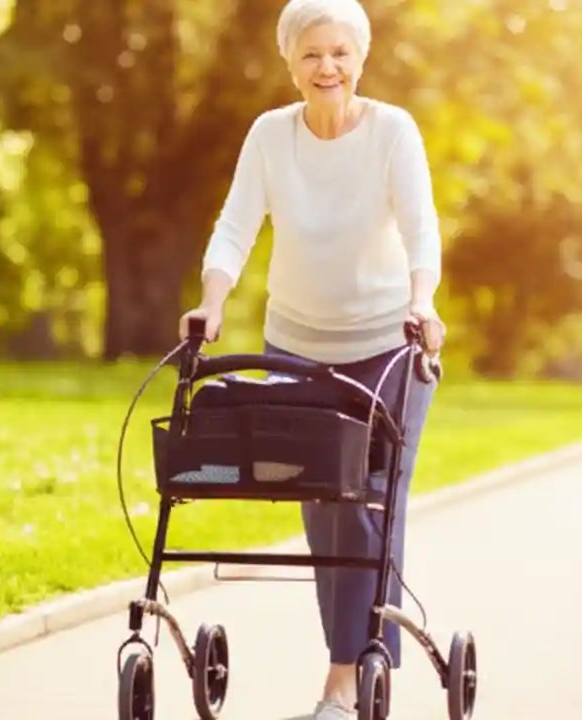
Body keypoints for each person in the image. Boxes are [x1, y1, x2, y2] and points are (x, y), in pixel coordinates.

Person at [178, 0, 445, 716]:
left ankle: (351, 675)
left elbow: (422, 230)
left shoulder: (392, 132)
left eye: (339, 52)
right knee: (320, 504)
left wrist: (424, 302)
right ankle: (357, 667)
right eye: (311, 54)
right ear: (290, 64)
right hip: (296, 343)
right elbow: (234, 227)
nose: (327, 67)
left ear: (360, 58)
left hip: (387, 345)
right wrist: (212, 301)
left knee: (370, 507)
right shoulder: (271, 136)